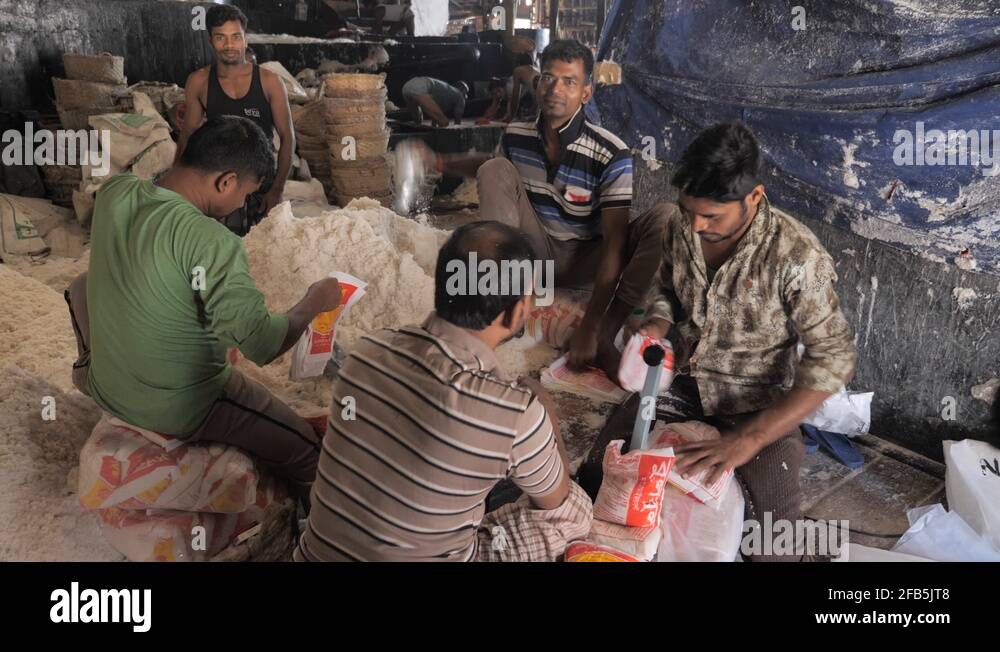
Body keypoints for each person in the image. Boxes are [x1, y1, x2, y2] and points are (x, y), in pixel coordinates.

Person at [65, 116, 341, 509]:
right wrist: (315, 300)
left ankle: (93, 369)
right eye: (245, 194)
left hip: (104, 383)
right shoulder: (214, 242)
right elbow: (261, 344)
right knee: (304, 449)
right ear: (225, 182)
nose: (242, 205)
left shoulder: (115, 192)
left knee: (81, 286)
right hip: (177, 405)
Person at [295, 221, 593, 561]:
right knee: (576, 512)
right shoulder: (515, 413)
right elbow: (557, 498)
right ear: (515, 311)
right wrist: (549, 419)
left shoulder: (368, 351)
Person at [635, 122, 858, 561]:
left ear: (754, 196)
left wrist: (750, 440)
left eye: (712, 216)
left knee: (773, 547)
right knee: (609, 479)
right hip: (683, 388)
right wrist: (656, 323)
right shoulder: (682, 225)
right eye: (689, 209)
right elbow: (663, 287)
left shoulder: (796, 257)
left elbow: (834, 356)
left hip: (756, 405)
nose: (696, 225)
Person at [414, 39, 666, 380]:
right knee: (494, 169)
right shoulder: (516, 135)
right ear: (539, 82)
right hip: (536, 258)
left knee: (666, 218)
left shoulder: (611, 152)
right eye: (548, 78)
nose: (555, 89)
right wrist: (441, 162)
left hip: (586, 262)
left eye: (569, 81)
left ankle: (608, 331)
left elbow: (615, 244)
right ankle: (501, 303)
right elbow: (487, 167)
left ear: (586, 93)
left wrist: (591, 326)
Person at [176, 4, 295, 236]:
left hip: (261, 178)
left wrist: (277, 190)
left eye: (236, 37)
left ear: (245, 38)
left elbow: (287, 137)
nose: (229, 45)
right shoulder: (199, 82)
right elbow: (187, 137)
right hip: (219, 177)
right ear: (211, 39)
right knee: (220, 244)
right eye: (221, 37)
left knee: (265, 246)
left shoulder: (270, 82)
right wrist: (176, 189)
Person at [401, 76, 469, 128]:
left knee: (418, 121)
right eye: (466, 92)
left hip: (406, 87)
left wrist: (434, 124)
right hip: (421, 87)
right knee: (444, 122)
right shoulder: (460, 96)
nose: (466, 95)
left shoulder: (446, 91)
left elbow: (435, 115)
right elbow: (457, 124)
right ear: (462, 89)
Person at [501, 52, 541, 122]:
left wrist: (511, 116)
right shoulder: (537, 69)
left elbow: (516, 96)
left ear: (518, 62)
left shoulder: (518, 70)